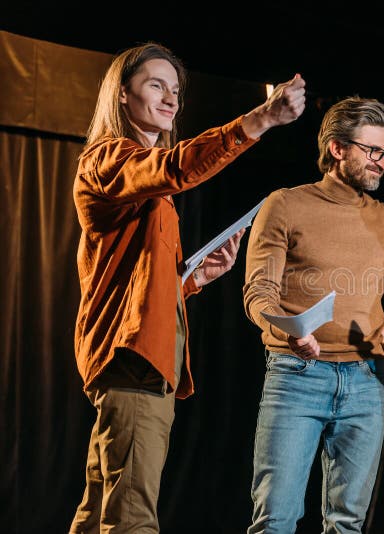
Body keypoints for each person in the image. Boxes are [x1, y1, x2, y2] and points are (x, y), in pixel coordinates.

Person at [69, 43, 305, 533]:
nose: (171, 98)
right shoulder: (109, 160)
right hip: (131, 357)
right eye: (156, 85)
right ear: (122, 96)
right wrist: (259, 119)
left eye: (175, 89)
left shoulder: (140, 184)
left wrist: (193, 278)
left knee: (100, 513)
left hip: (138, 356)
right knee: (132, 518)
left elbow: (139, 281)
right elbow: (174, 169)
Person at [242, 96, 384, 533]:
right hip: (296, 375)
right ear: (337, 149)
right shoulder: (285, 204)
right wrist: (288, 329)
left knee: (347, 523)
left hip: (366, 382)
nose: (383, 163)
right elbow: (259, 291)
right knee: (275, 519)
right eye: (373, 152)